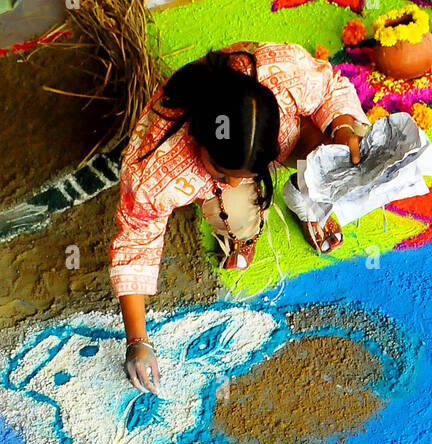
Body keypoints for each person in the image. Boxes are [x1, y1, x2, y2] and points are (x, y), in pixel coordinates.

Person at [111, 44, 371, 392]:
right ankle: (241, 232)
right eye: (222, 171)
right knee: (236, 211)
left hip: (286, 134)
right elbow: (136, 241)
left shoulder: (285, 72)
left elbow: (331, 87)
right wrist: (137, 341)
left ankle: (306, 193)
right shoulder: (153, 169)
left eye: (246, 172)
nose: (235, 182)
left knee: (345, 151)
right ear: (197, 139)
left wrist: (343, 130)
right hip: (221, 159)